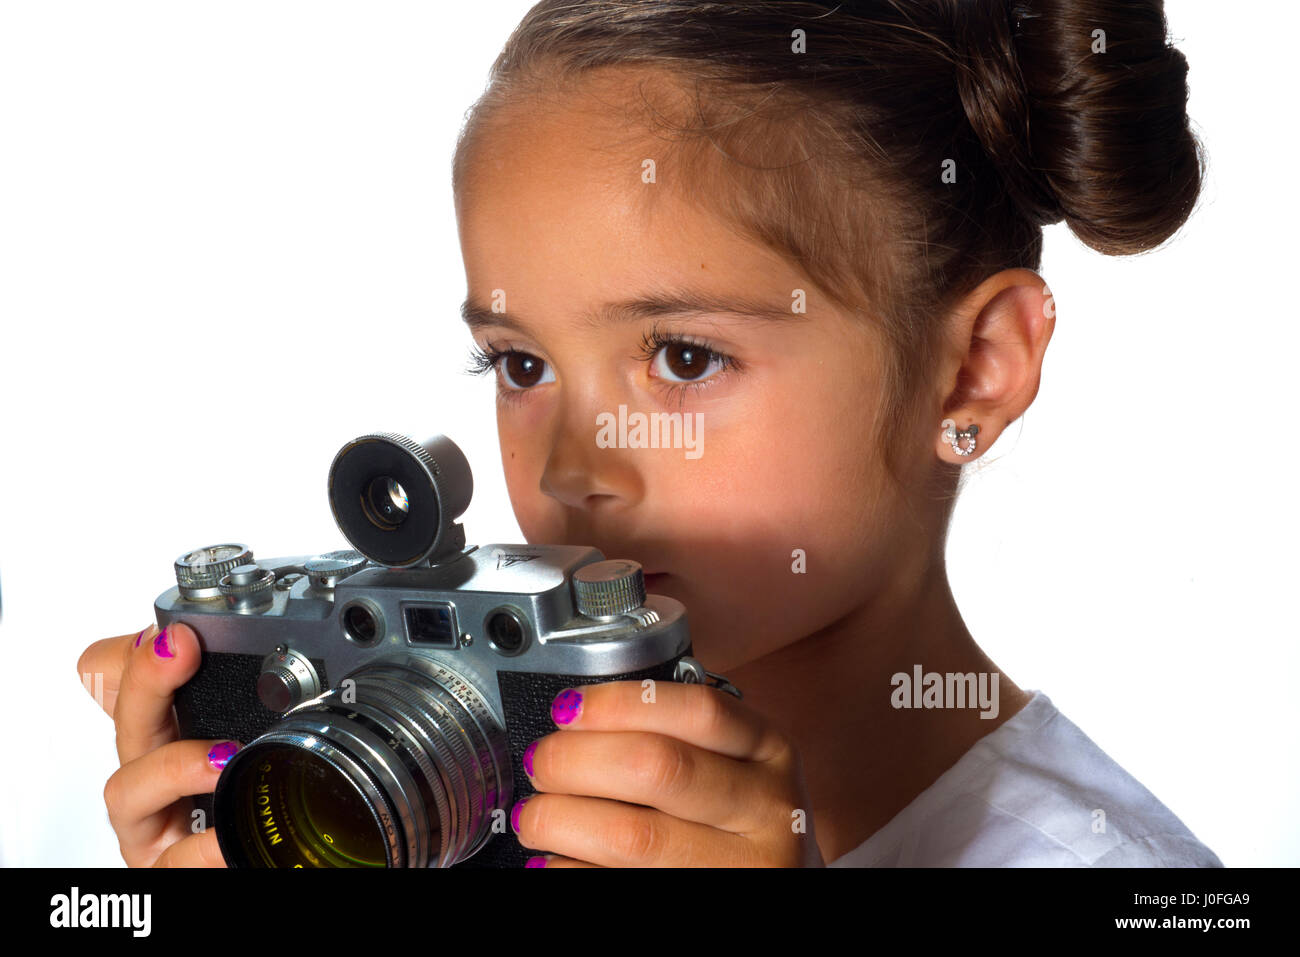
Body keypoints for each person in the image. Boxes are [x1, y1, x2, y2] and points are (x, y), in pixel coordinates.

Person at [78, 0, 1222, 867]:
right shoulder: (448, 803)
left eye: (683, 357)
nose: (573, 468)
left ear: (972, 372)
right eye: (520, 364)